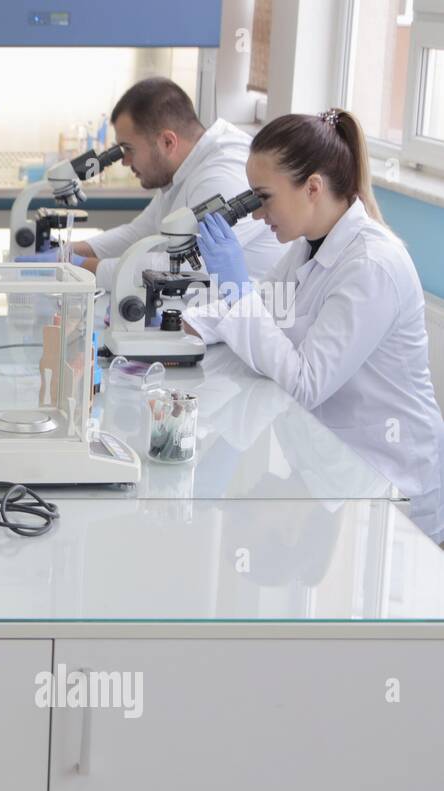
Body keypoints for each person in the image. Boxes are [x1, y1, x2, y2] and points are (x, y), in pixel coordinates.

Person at [185, 109, 444, 543]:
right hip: (337, 468)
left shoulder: (371, 266)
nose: (254, 215)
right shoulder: (309, 246)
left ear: (313, 188)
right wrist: (180, 328)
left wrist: (236, 287)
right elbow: (268, 305)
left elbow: (305, 382)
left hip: (393, 481)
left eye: (262, 197)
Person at [22, 78, 285, 296]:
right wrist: (68, 251)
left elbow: (186, 266)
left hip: (241, 331)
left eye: (128, 149)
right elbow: (141, 232)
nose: (124, 161)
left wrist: (79, 268)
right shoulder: (184, 169)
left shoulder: (223, 174)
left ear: (168, 142)